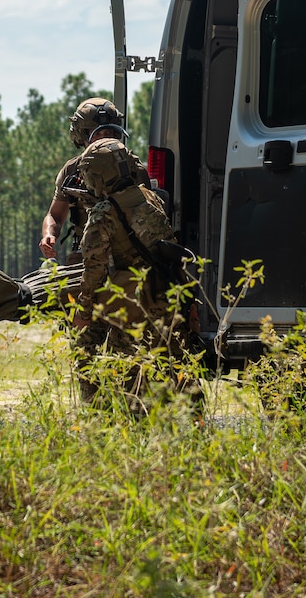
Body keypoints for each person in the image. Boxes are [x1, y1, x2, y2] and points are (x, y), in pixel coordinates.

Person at [73, 137, 201, 415]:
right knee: (178, 367)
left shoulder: (104, 213)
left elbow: (93, 268)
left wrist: (84, 309)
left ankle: (128, 432)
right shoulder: (150, 196)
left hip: (135, 303)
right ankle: (197, 427)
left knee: (128, 373)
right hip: (167, 294)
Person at [39, 97, 150, 263]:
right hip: (86, 255)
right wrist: (49, 235)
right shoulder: (71, 171)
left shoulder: (133, 170)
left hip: (129, 256)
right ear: (81, 136)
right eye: (97, 134)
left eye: (109, 133)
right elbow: (54, 215)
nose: (104, 139)